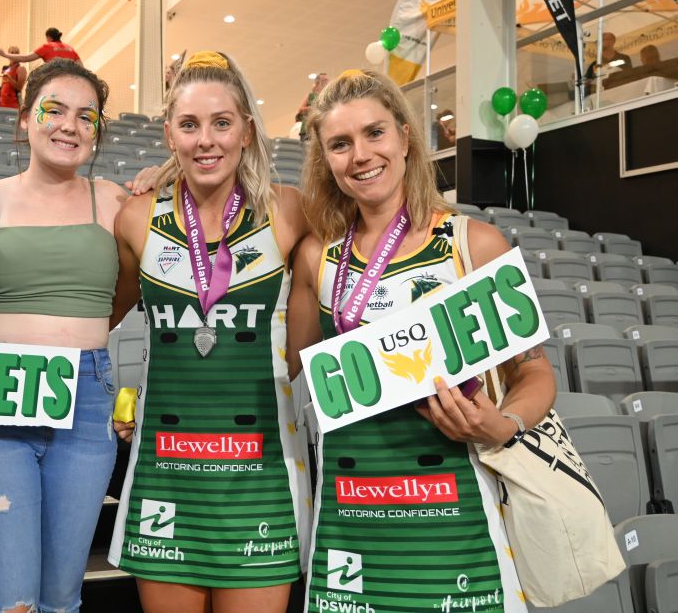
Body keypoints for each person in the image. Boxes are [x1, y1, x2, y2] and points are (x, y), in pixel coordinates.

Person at [287, 69, 556, 611]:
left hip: (455, 507)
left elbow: (534, 371)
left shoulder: (474, 243)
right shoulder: (318, 257)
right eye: (340, 144)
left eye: (374, 133)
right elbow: (291, 374)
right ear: (326, 160)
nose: (360, 155)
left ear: (406, 138)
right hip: (351, 513)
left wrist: (504, 424)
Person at [108, 51, 312, 613]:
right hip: (167, 466)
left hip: (262, 470)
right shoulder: (136, 218)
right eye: (189, 125)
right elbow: (99, 319)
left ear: (246, 130)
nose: (206, 141)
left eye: (222, 123)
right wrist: (119, 397)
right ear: (168, 134)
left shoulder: (289, 211)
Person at [0, 58, 127, 613]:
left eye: (86, 116)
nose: (70, 125)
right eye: (54, 110)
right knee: (11, 601)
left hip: (85, 399)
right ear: (24, 118)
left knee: (61, 597)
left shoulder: (115, 201)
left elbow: (129, 296)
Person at [0, 27, 83, 67]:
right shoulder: (70, 48)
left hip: (55, 80)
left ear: (48, 37)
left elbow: (25, 58)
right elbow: (81, 67)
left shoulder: (47, 46)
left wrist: (5, 54)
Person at [297, 73, 329, 141]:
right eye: (324, 80)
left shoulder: (326, 97)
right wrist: (313, 108)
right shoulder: (311, 95)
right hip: (308, 130)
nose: (326, 82)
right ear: (318, 82)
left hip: (320, 129)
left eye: (327, 80)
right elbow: (300, 110)